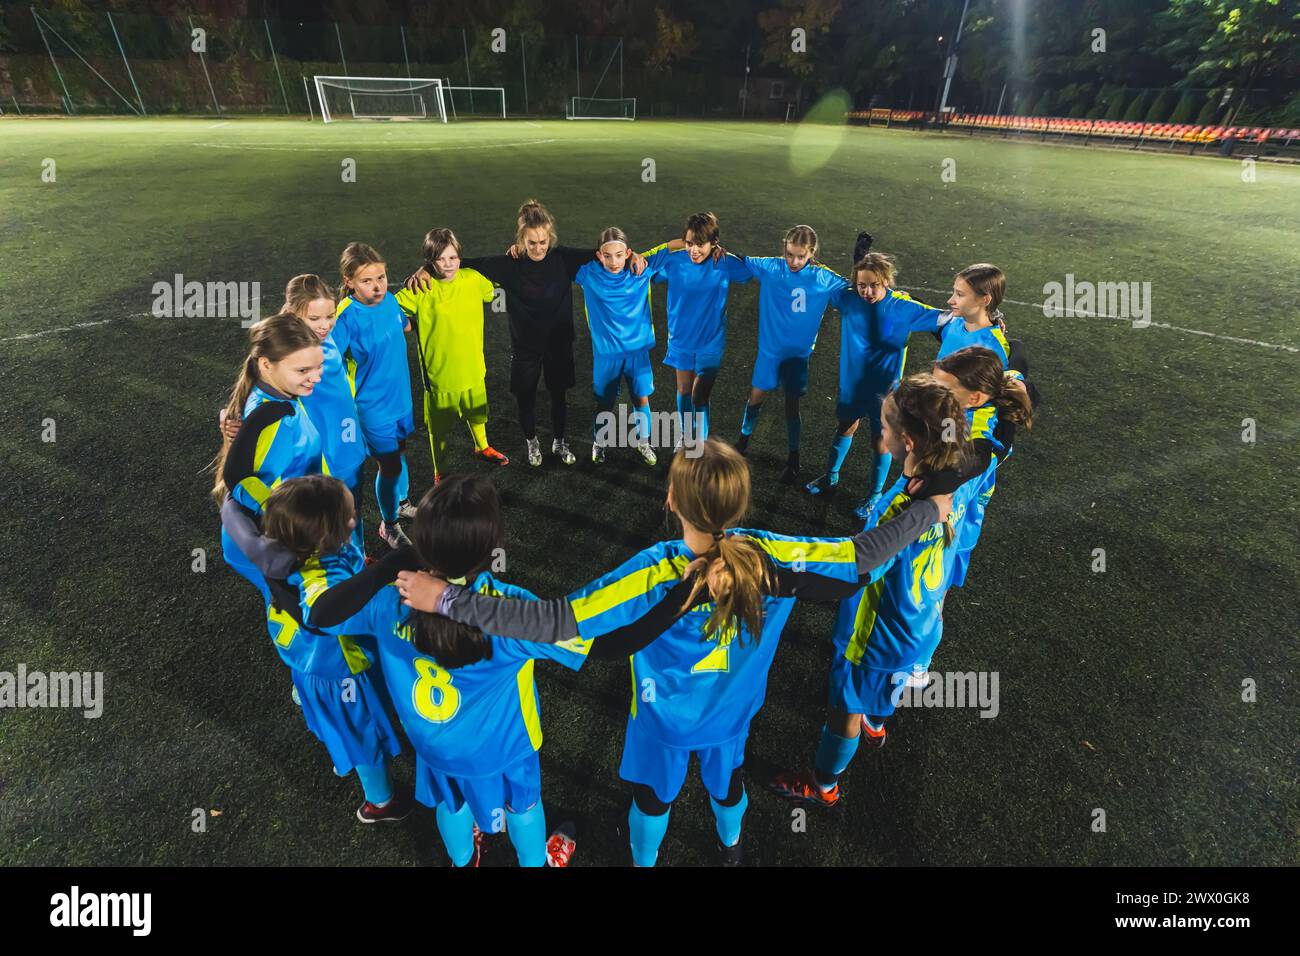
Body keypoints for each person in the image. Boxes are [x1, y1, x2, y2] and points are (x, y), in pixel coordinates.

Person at [394, 439, 955, 865]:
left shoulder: (655, 570)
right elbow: (860, 557)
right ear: (740, 504)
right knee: (729, 786)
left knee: (653, 799)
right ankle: (730, 849)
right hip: (733, 716)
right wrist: (928, 510)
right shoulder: (770, 556)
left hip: (662, 721)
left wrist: (447, 597)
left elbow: (558, 621)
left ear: (670, 500)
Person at [395, 228, 509, 483]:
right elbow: (392, 309)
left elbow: (501, 281)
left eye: (453, 257)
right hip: (440, 376)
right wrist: (406, 324)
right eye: (441, 259)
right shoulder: (420, 288)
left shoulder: (473, 279)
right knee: (440, 429)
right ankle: (441, 470)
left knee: (478, 412)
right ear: (429, 261)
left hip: (472, 368)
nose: (448, 264)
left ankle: (482, 446)